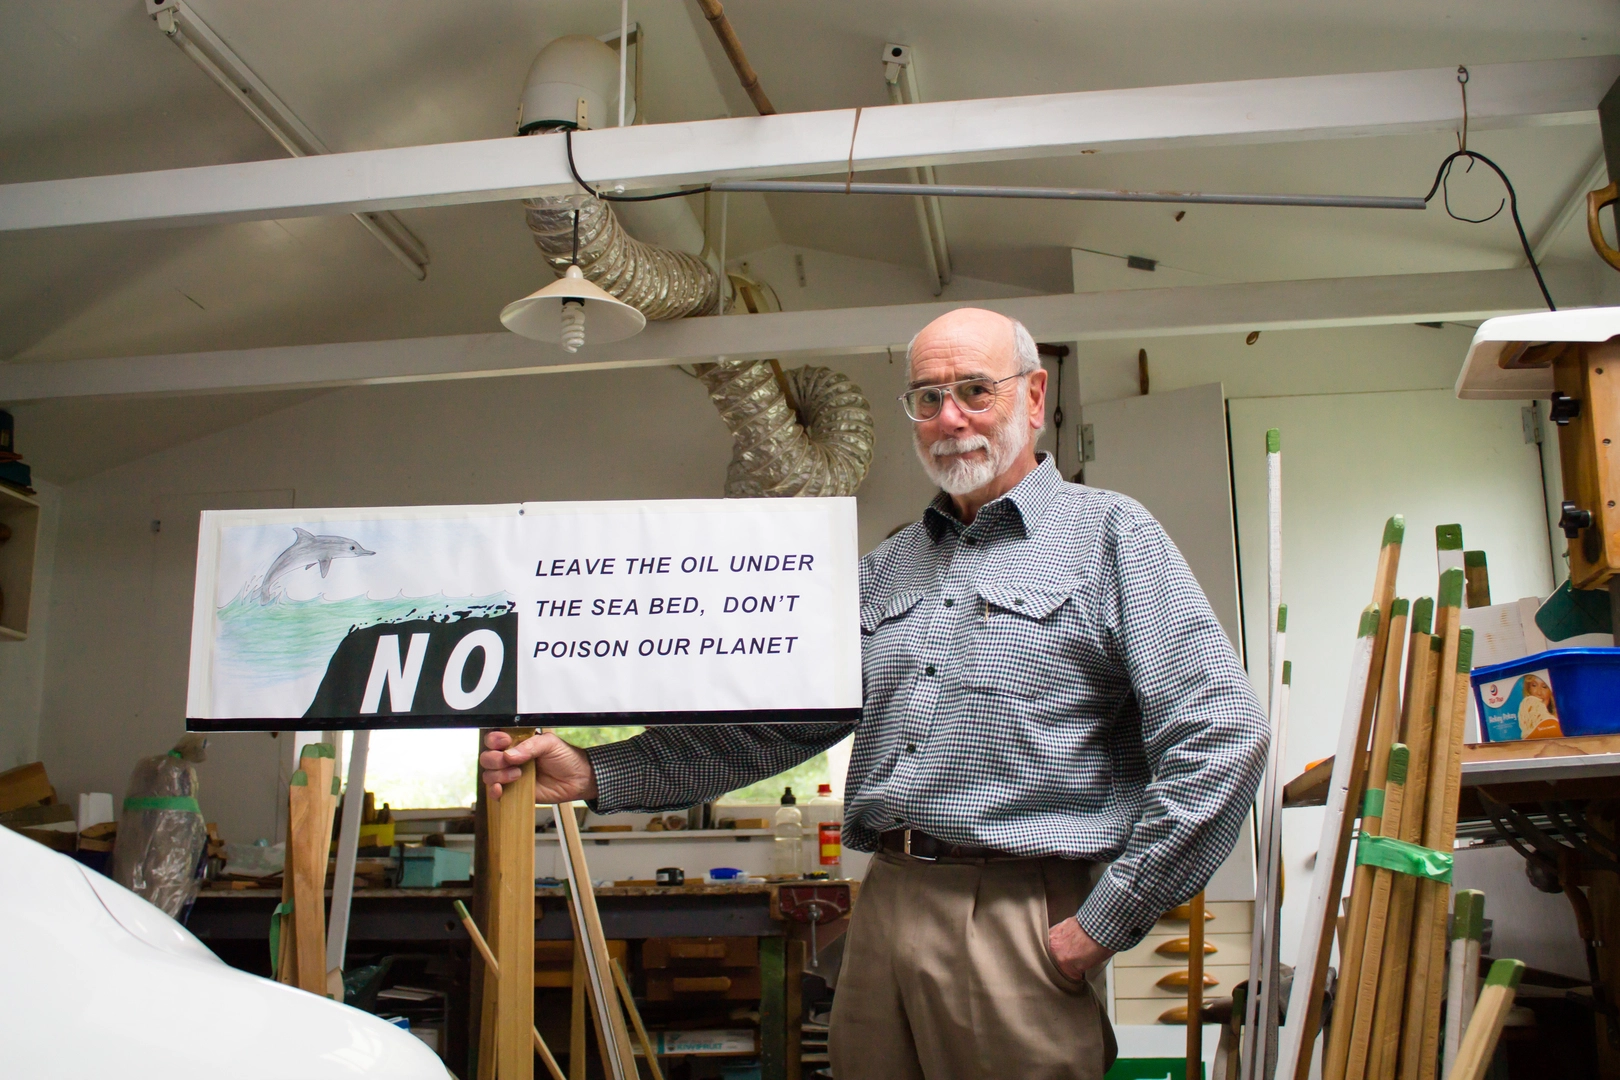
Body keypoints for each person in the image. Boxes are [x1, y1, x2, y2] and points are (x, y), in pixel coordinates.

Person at [481, 308, 1269, 1080]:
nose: (950, 416)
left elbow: (1224, 734)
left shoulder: (1110, 536)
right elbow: (774, 730)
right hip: (885, 899)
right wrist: (595, 772)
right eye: (927, 398)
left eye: (974, 390)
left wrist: (1104, 922)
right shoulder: (886, 569)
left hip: (1019, 917)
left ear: (1033, 397)